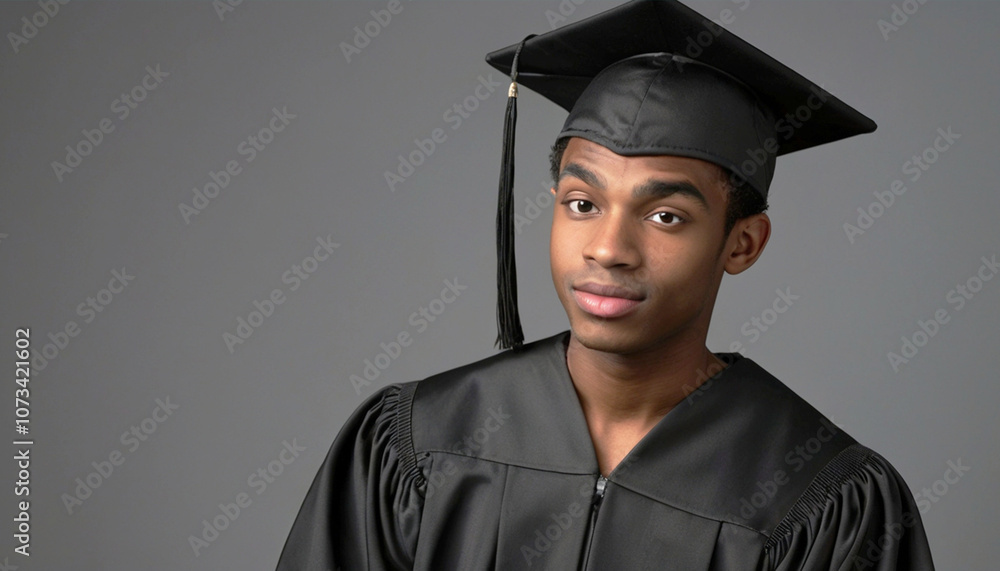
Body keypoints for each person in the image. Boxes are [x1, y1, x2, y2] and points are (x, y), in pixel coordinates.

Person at [277, 0, 935, 568]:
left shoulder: (819, 492)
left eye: (665, 215)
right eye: (582, 203)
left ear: (742, 243)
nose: (609, 249)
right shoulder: (419, 442)